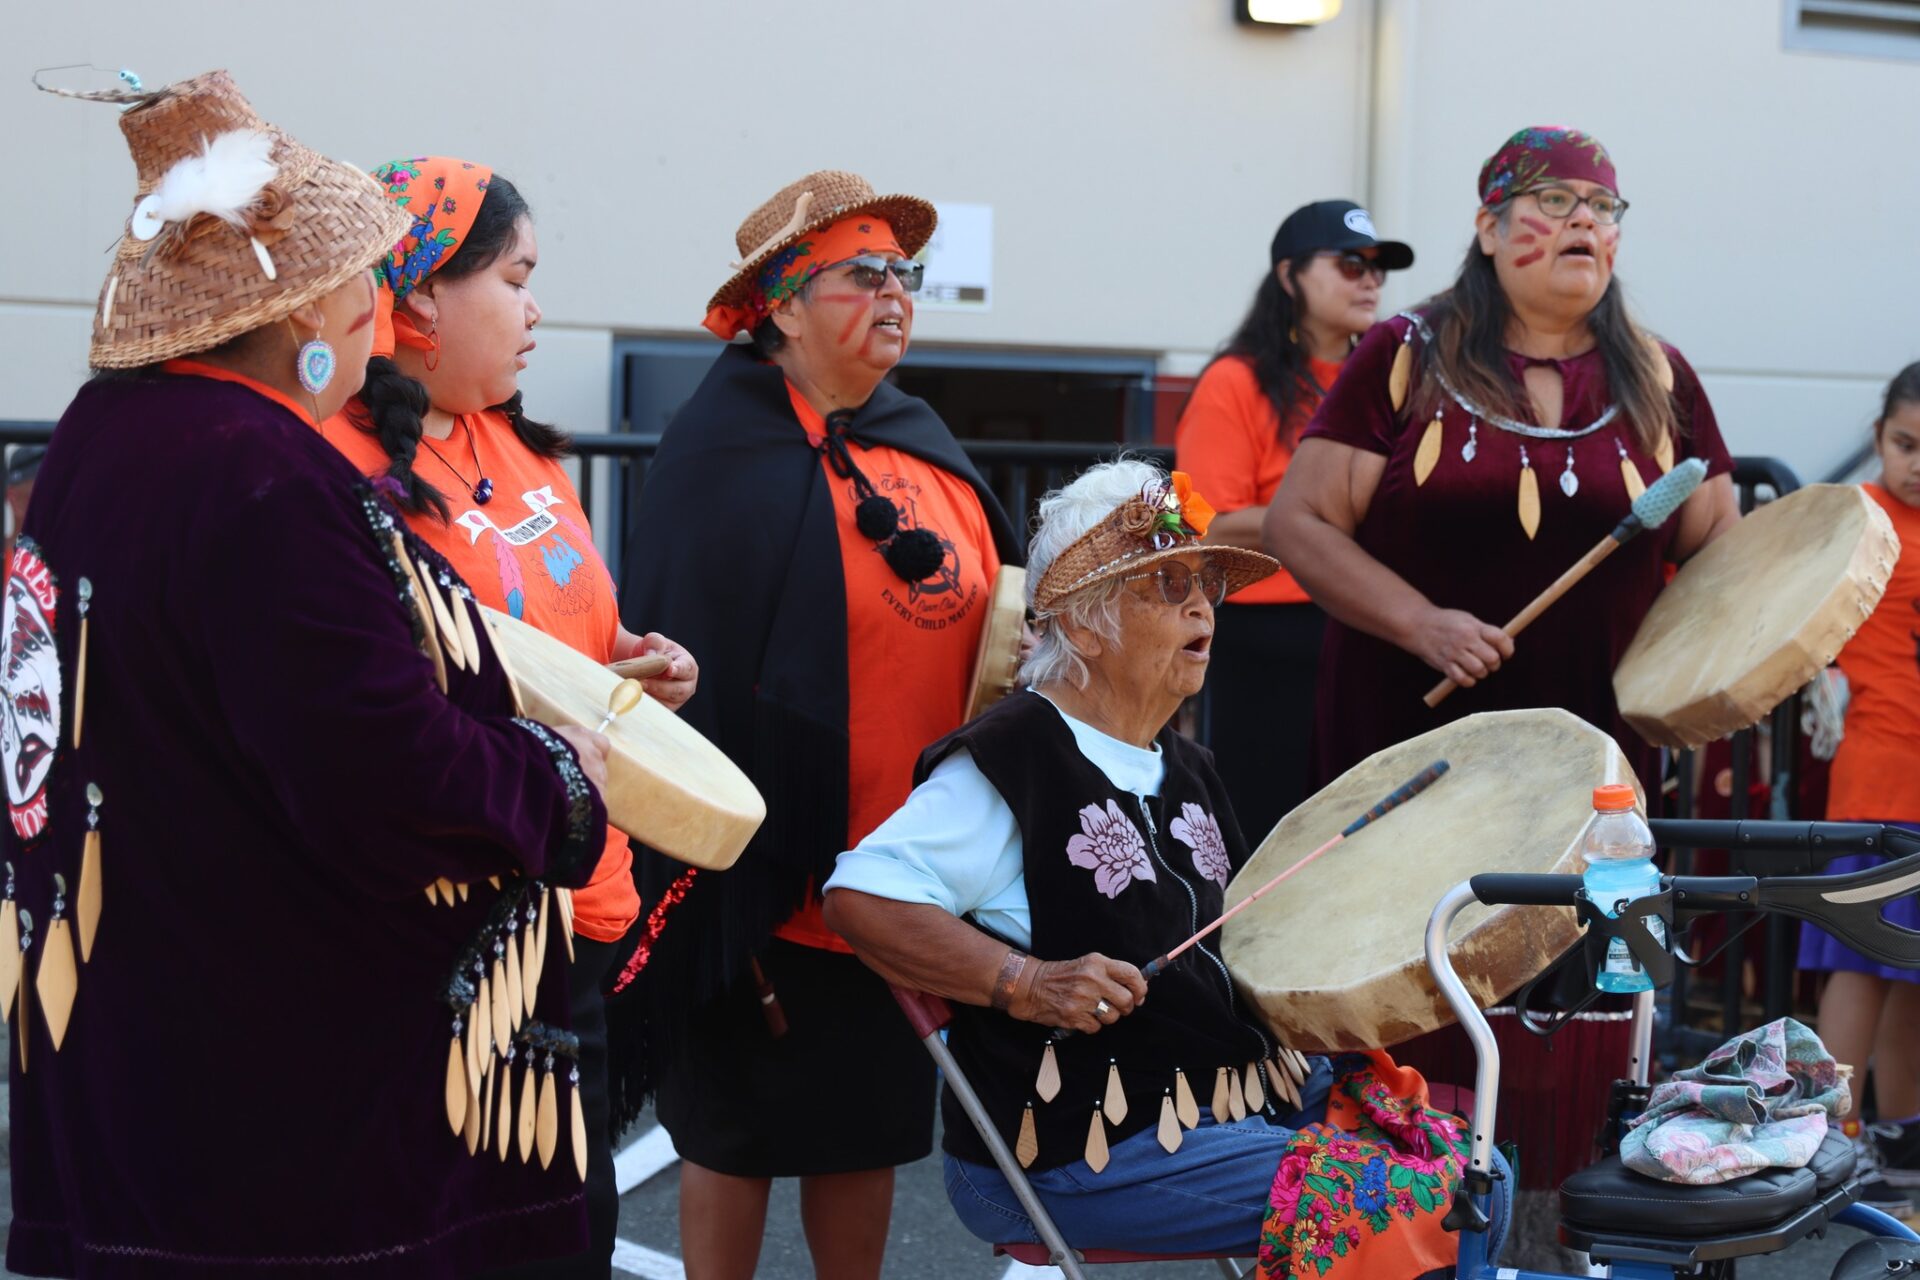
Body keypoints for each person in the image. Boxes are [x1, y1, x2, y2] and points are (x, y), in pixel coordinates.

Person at [8, 72, 612, 1278]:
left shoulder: (99, 440)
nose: (374, 302)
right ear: (304, 316)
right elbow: (375, 766)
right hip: (277, 1092)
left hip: (143, 1023)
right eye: (361, 278)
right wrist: (556, 774)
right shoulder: (260, 475)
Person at [823, 459, 1511, 1275]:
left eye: (1205, 586)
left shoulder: (1187, 765)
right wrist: (1029, 982)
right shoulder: (1013, 760)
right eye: (1167, 585)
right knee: (1423, 1197)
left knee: (1480, 1174)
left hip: (1236, 1102)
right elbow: (860, 899)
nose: (1201, 607)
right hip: (1078, 1147)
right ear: (1082, 625)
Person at [1265, 125, 1740, 1216]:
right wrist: (1422, 623)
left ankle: (1579, 1228)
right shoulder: (1405, 353)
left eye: (1603, 208)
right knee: (1416, 1000)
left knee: (1600, 1012)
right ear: (1488, 228)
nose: (1584, 223)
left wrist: (1726, 662)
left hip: (1602, 780)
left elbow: (1717, 549)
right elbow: (1299, 523)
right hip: (1416, 752)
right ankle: (1403, 1230)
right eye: (1553, 201)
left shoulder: (1659, 374)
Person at [618, 170, 1025, 1279]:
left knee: (869, 1131)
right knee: (731, 1132)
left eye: (906, 274)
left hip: (907, 862)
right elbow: (681, 660)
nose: (895, 294)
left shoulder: (918, 435)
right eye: (864, 273)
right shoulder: (719, 453)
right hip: (760, 870)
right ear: (784, 307)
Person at [318, 155, 695, 1278]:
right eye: (516, 279)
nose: (536, 312)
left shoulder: (519, 445)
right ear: (420, 295)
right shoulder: (331, 461)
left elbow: (570, 633)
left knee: (565, 1223)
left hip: (579, 887)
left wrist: (637, 663)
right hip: (450, 911)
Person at [1175, 200, 1412, 838]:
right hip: (1270, 635)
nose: (1370, 280)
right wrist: (1326, 516)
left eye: (1378, 268)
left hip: (1374, 619)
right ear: (1290, 275)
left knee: (1374, 824)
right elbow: (1206, 524)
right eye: (1350, 264)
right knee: (1272, 825)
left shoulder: (1396, 377)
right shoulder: (1236, 381)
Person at [1798, 362, 1920, 1215]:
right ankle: (1826, 1143)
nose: (1918, 464)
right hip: (1875, 775)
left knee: (1912, 971)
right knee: (1856, 960)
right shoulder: (1854, 516)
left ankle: (1902, 1141)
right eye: (1906, 444)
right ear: (1878, 437)